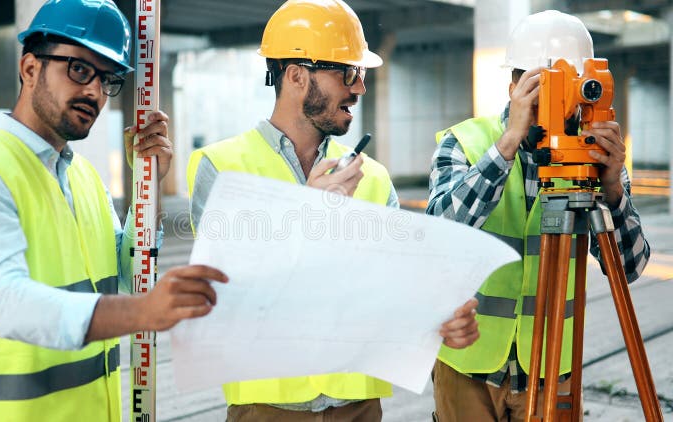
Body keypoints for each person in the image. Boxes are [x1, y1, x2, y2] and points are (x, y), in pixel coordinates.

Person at [0, 0, 226, 420]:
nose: (95, 92)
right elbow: (4, 302)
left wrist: (147, 191)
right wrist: (144, 312)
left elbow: (128, 274)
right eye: (80, 70)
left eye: (107, 79)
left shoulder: (85, 179)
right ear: (30, 69)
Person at [186, 0, 479, 420]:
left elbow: (393, 288)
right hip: (267, 408)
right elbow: (225, 293)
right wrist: (306, 214)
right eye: (348, 73)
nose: (359, 88)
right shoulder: (223, 167)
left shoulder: (372, 177)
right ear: (296, 75)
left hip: (358, 408)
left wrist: (437, 319)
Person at [428, 10, 650, 421]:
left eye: (571, 89)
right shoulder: (466, 142)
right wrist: (508, 143)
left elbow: (631, 266)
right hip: (469, 368)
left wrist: (614, 186)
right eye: (547, 87)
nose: (560, 103)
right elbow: (439, 233)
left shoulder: (592, 159)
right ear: (514, 86)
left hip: (553, 371)